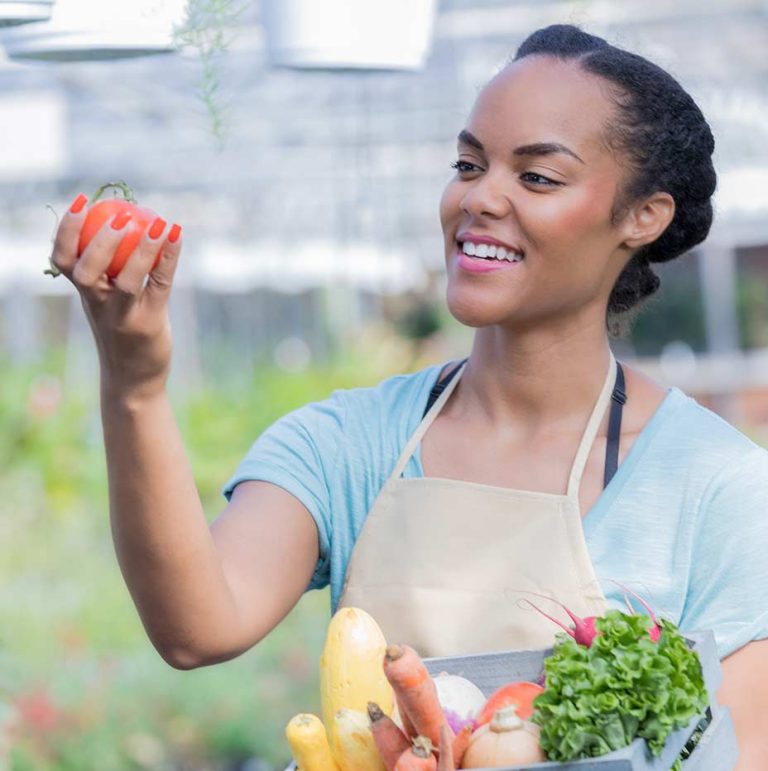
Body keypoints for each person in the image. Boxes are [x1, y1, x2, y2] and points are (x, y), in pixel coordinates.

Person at [49, 23, 766, 768]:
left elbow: (747, 749)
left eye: (537, 177)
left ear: (641, 216)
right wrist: (135, 385)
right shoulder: (346, 443)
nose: (480, 197)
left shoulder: (717, 488)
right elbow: (196, 625)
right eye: (468, 163)